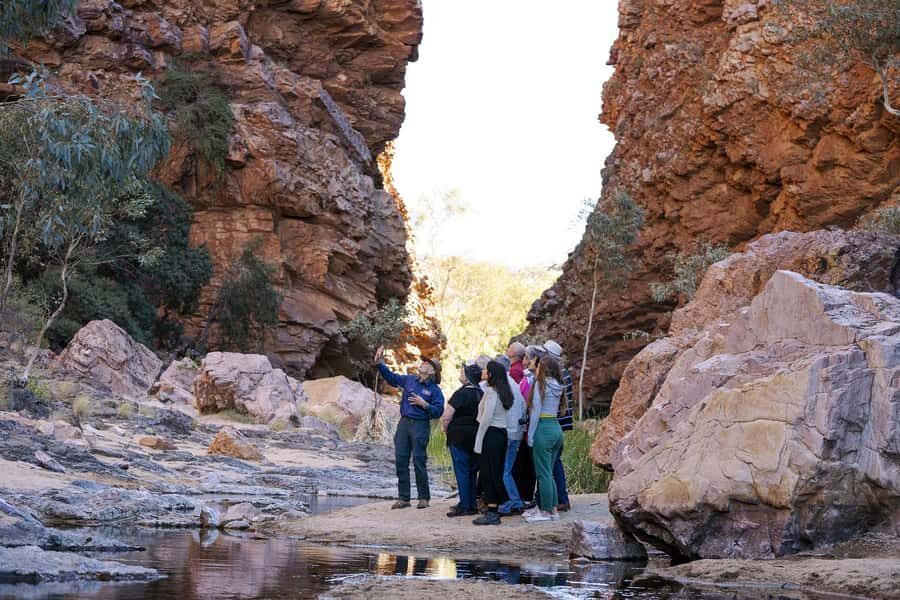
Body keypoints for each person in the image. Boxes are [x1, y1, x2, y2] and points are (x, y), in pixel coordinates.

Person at [374, 345, 444, 509]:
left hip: (420, 426)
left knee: (419, 461)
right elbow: (392, 378)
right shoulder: (410, 380)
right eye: (424, 362)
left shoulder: (435, 391)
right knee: (401, 460)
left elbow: (438, 411)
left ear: (432, 372)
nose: (423, 364)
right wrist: (379, 363)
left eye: (427, 364)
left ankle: (424, 498)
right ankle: (404, 498)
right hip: (404, 424)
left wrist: (424, 404)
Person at [523, 354, 565, 522]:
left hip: (543, 427)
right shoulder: (558, 385)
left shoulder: (540, 385)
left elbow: (535, 413)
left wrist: (531, 436)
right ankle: (553, 509)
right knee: (550, 472)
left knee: (543, 473)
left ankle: (545, 511)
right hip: (556, 427)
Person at [472, 360, 514, 525]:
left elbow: (486, 418)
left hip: (490, 434)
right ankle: (497, 506)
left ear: (491, 374)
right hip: (501, 434)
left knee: (487, 473)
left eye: (486, 370)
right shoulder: (504, 391)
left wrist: (478, 441)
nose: (483, 372)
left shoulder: (491, 391)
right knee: (494, 472)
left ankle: (493, 511)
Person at [441, 362, 483, 517]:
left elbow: (447, 416)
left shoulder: (461, 393)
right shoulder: (481, 393)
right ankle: (471, 504)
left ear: (468, 377)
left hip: (458, 436)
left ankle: (465, 506)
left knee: (461, 471)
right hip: (476, 435)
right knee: (472, 471)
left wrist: (445, 430)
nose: (461, 373)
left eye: (463, 371)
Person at [543, 340, 573, 512]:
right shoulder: (564, 373)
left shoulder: (556, 374)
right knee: (554, 463)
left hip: (553, 423)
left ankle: (561, 498)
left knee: (553, 464)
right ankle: (559, 497)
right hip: (559, 424)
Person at [497, 363, 526, 515]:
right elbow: (523, 407)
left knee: (503, 470)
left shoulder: (502, 387)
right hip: (517, 433)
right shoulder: (515, 385)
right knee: (507, 469)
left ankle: (512, 502)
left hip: (506, 433)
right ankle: (515, 501)